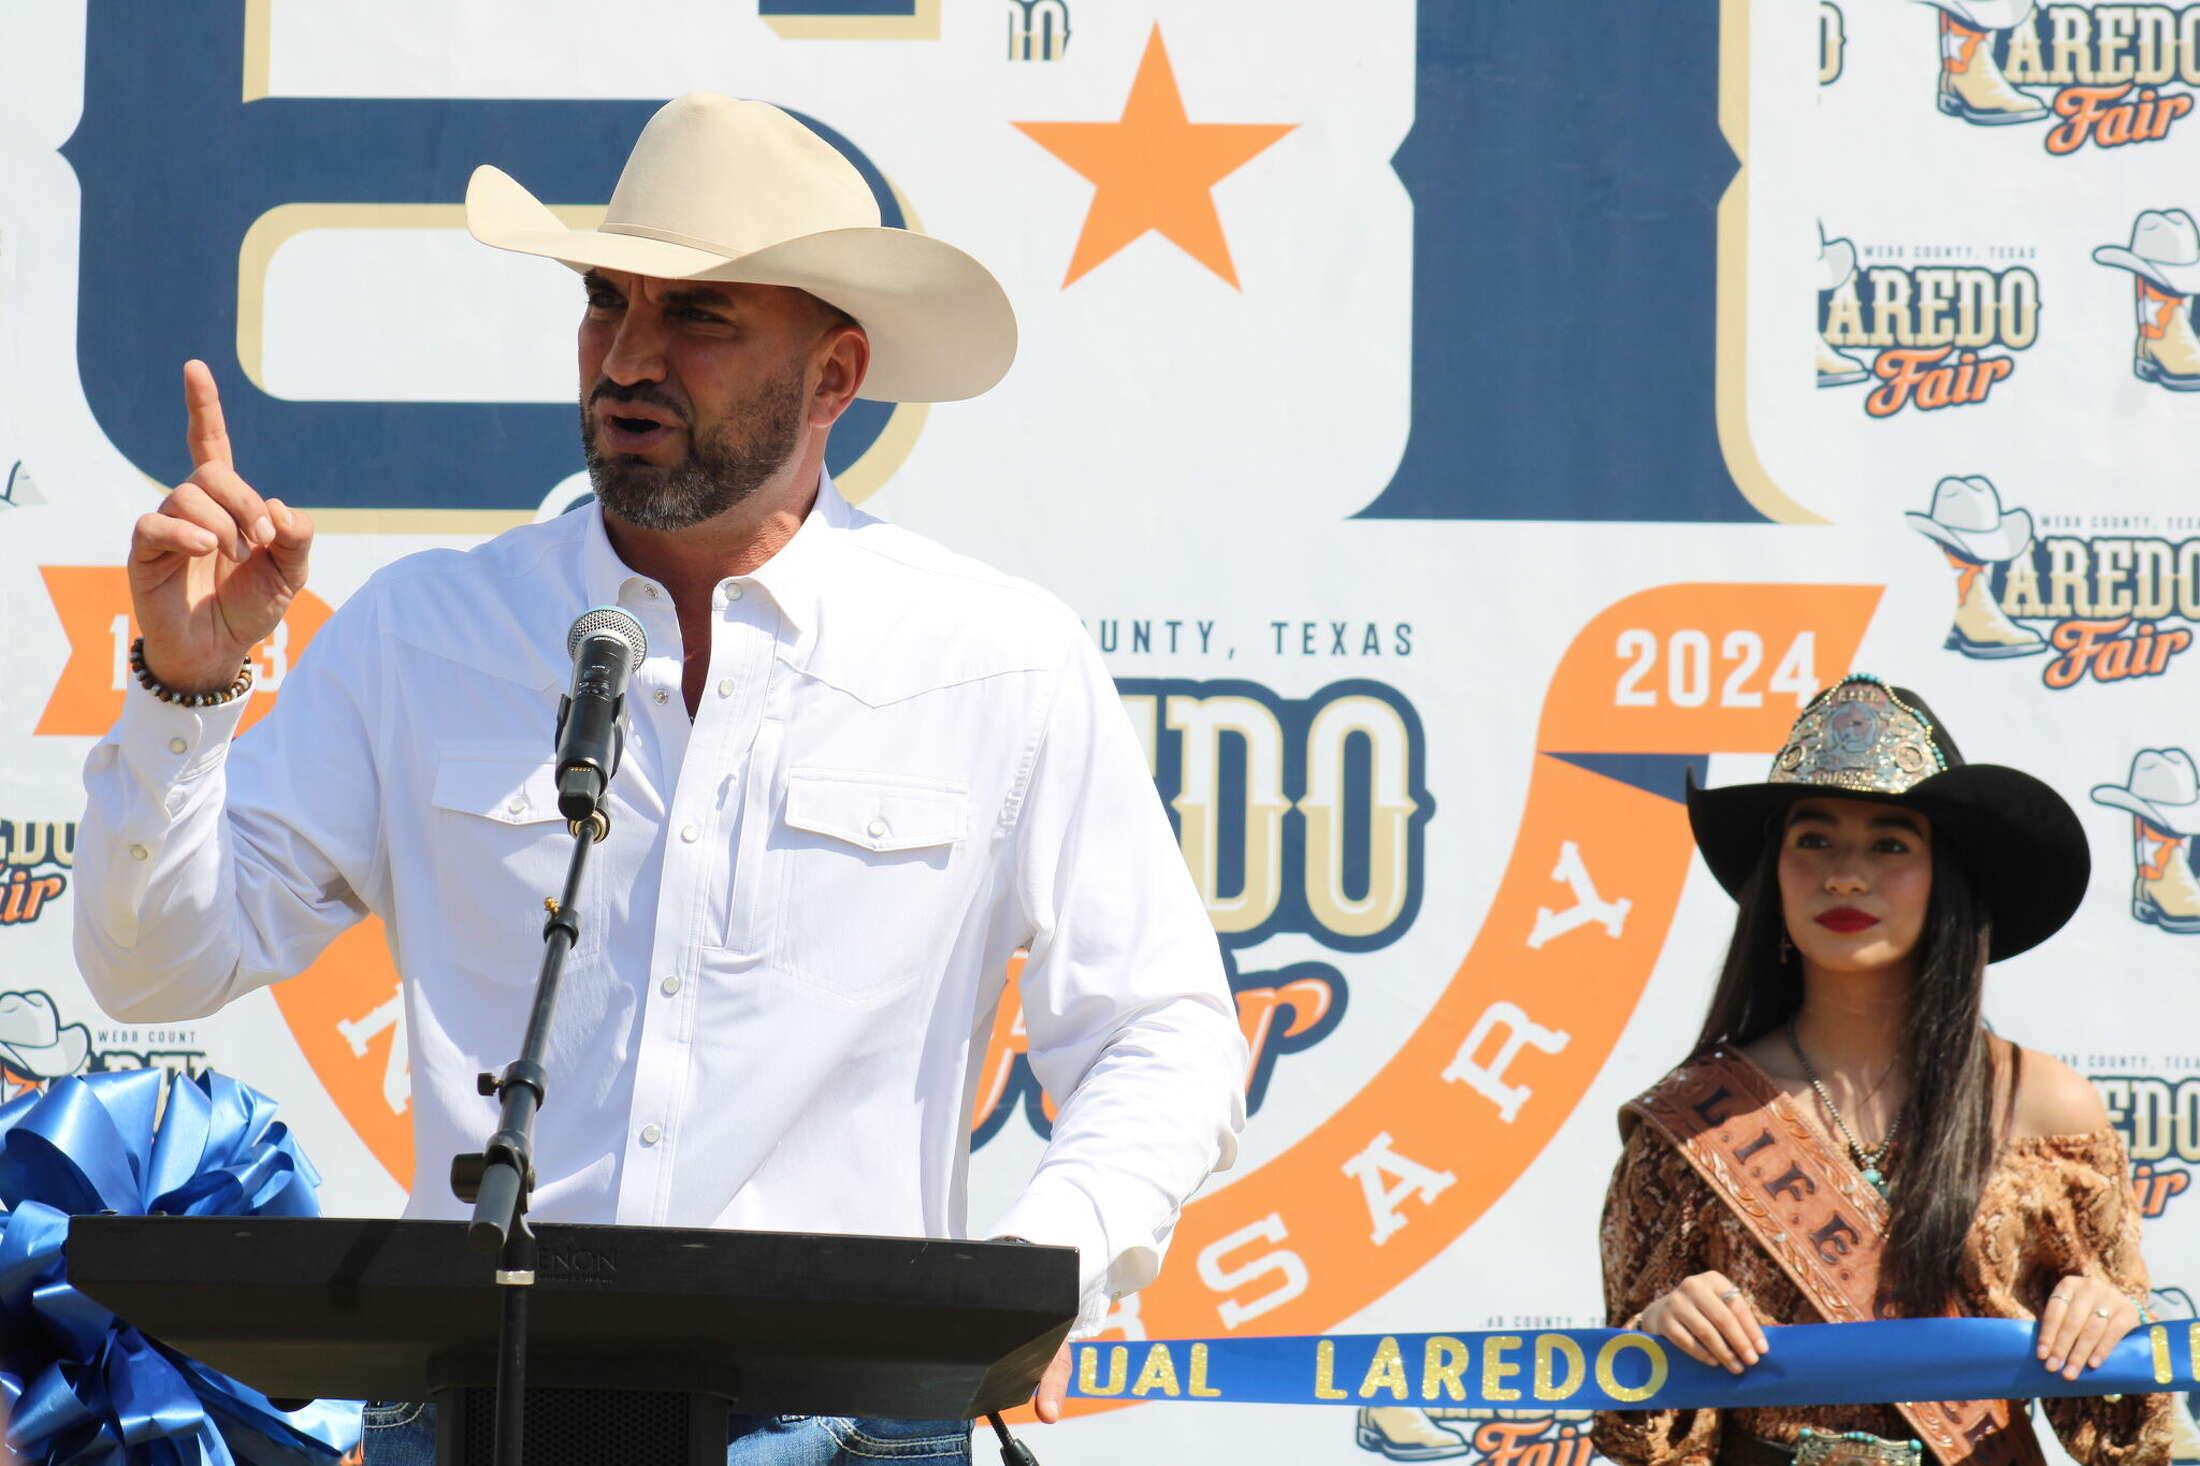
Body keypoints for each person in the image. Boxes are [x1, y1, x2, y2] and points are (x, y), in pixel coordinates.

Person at [72, 93, 1247, 1465]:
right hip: (474, 1417)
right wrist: (183, 689)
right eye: (603, 302)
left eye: (698, 317)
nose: (627, 357)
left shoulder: (995, 661)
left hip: (856, 1431)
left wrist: (1017, 1286)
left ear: (835, 374)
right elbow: (154, 971)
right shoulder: (423, 635)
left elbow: (1164, 1032)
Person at [1595, 676, 2169, 1466]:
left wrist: (2108, 1325)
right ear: (1775, 877)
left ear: (1948, 882)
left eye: (1891, 845)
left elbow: (2124, 1431)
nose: (1846, 876)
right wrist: (1658, 1339)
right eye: (1815, 840)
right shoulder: (1695, 1123)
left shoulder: (2040, 1106)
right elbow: (1641, 1433)